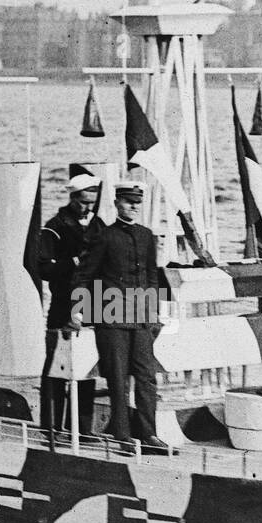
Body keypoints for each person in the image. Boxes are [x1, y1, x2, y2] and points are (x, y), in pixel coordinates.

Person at [70, 182, 168, 450]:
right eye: (128, 201)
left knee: (147, 377)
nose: (134, 206)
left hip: (140, 319)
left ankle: (149, 435)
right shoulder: (104, 236)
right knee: (118, 378)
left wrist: (153, 312)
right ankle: (123, 436)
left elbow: (150, 275)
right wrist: (77, 310)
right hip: (110, 318)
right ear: (116, 203)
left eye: (137, 201)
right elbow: (84, 274)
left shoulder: (147, 235)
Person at [37, 167, 105, 434]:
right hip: (63, 304)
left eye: (91, 203)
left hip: (89, 304)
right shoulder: (54, 228)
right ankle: (51, 426)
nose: (87, 208)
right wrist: (74, 262)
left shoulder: (98, 225)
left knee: (86, 367)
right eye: (82, 202)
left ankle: (82, 428)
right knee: (56, 366)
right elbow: (43, 268)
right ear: (72, 197)